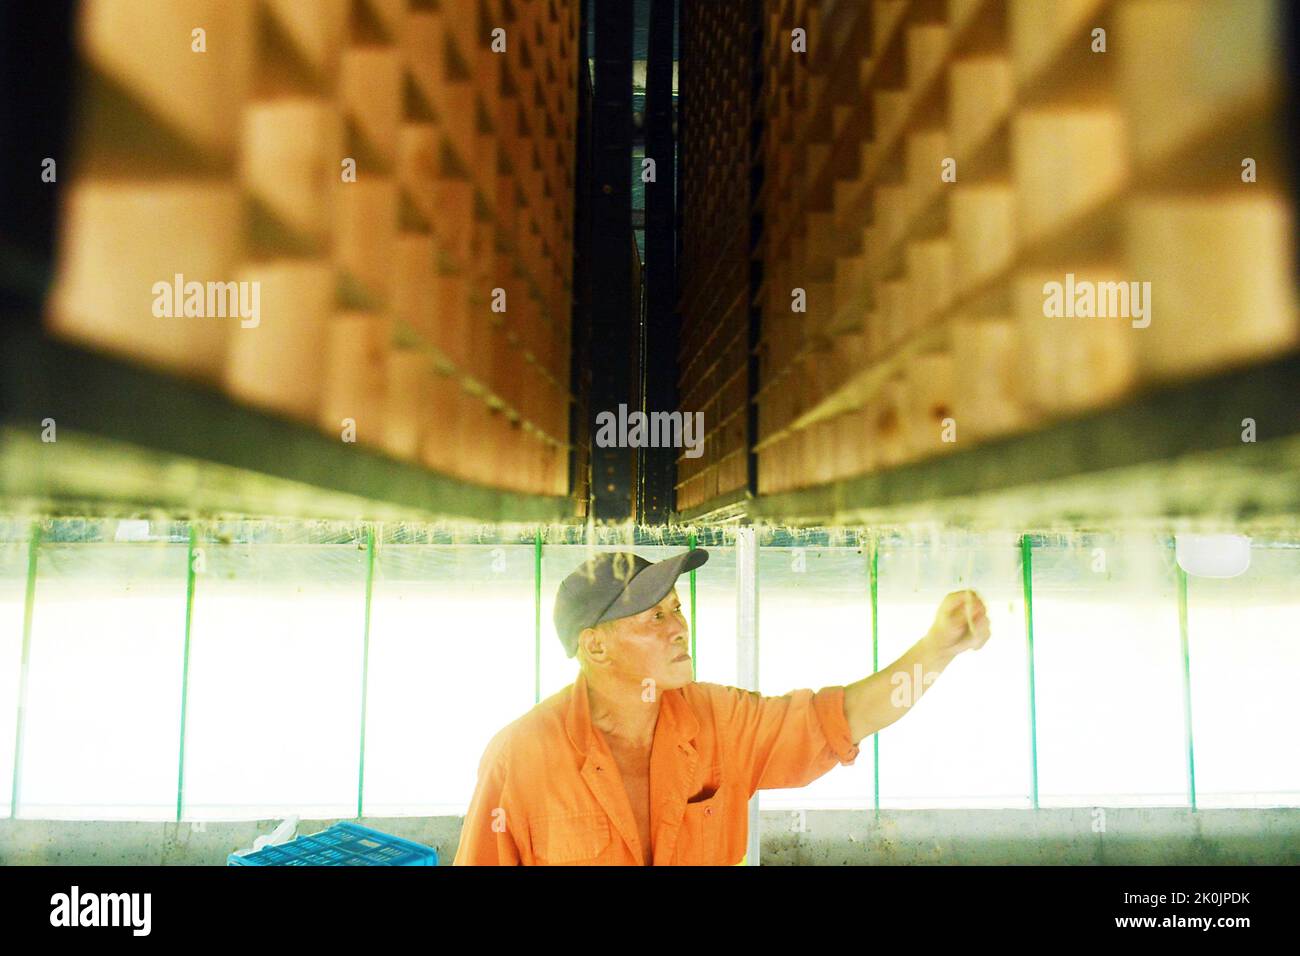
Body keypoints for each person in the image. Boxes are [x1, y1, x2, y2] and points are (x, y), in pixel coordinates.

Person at [452, 547, 991, 865]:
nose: (680, 627)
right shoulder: (519, 758)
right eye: (654, 618)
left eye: (677, 609)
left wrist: (936, 649)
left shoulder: (718, 722)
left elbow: (842, 717)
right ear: (596, 645)